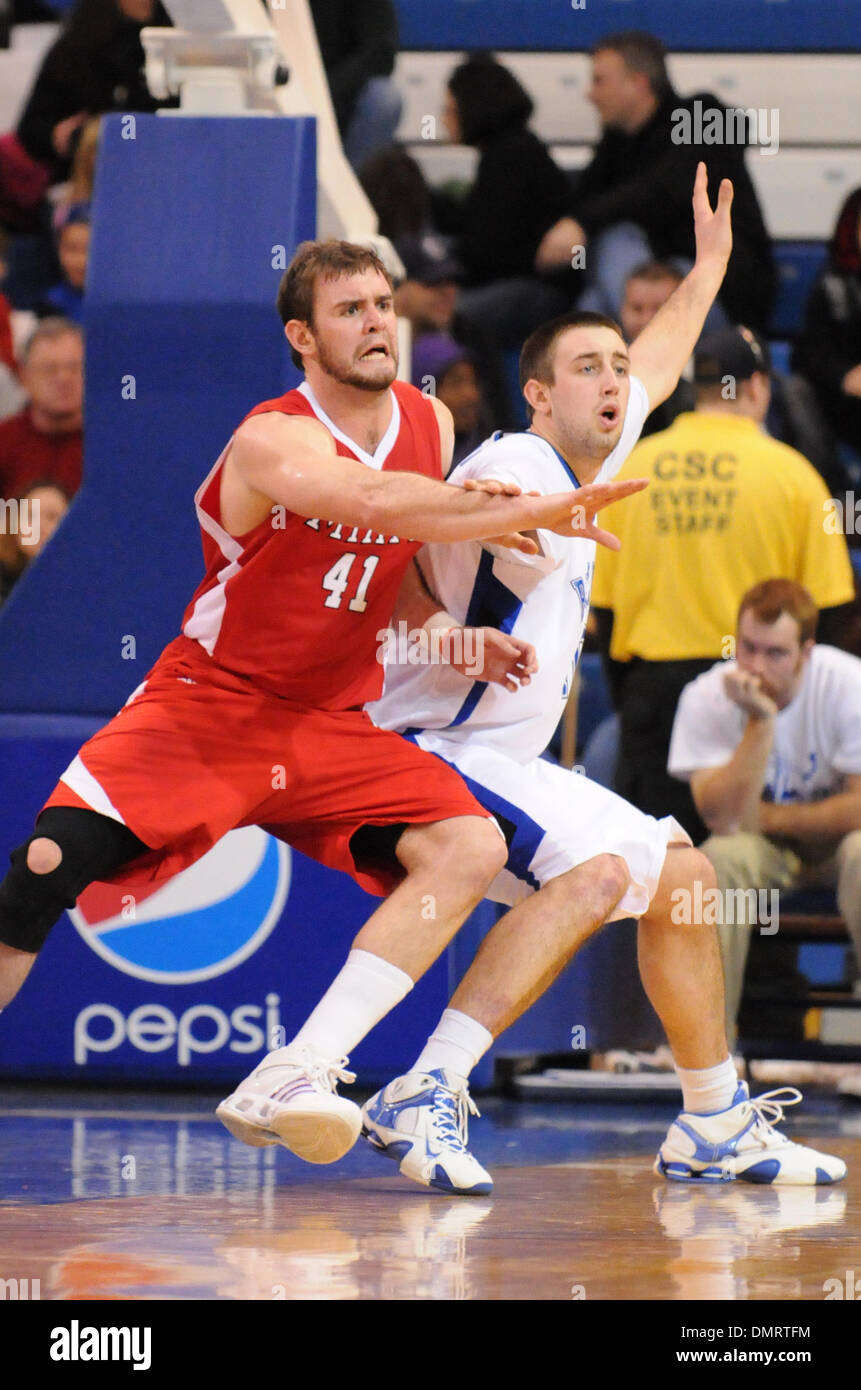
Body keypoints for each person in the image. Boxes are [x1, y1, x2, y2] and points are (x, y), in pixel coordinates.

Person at [0, 239, 643, 1170]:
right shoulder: (273, 437)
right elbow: (372, 500)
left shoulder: (427, 419)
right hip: (212, 704)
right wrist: (506, 513)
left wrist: (442, 628)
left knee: (470, 845)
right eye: (351, 310)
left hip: (332, 721)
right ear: (302, 336)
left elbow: (397, 571)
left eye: (384, 304)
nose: (378, 321)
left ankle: (298, 1069)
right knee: (45, 868)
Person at [365, 167, 846, 1193]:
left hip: (500, 755)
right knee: (593, 876)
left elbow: (666, 359)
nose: (616, 379)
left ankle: (713, 1120)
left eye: (617, 366)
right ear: (540, 392)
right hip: (433, 748)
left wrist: (712, 266)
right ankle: (427, 1085)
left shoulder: (589, 454)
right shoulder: (520, 462)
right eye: (589, 366)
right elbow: (437, 528)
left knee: (685, 881)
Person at [591, 325, 856, 843]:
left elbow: (606, 611)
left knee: (659, 868)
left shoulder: (633, 469)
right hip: (755, 688)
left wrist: (633, 708)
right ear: (756, 387)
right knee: (743, 866)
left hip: (655, 690)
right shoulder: (794, 475)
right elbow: (830, 609)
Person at [667, 580, 861, 1049]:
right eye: (747, 648)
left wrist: (768, 818)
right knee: (715, 861)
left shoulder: (848, 684)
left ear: (805, 652)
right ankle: (709, 1056)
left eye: (775, 653)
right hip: (763, 853)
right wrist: (762, 720)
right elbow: (722, 819)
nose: (755, 666)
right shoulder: (708, 697)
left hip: (838, 846)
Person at [534, 31, 774, 330]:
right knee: (590, 308)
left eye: (599, 81)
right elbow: (585, 201)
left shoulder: (702, 117)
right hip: (640, 284)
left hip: (718, 287)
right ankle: (622, 353)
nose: (590, 94)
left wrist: (580, 222)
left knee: (613, 241)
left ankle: (636, 349)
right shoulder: (616, 145)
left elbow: (666, 186)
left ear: (638, 82)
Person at [432, 53, 575, 347]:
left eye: (450, 110)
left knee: (446, 315)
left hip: (541, 291)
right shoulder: (506, 151)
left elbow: (491, 250)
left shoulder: (511, 156)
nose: (445, 119)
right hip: (521, 281)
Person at [16, 0, 174, 184]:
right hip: (82, 179)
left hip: (158, 167)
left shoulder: (178, 30)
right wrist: (59, 135)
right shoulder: (81, 38)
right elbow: (30, 127)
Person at [792, 187, 861, 482]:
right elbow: (806, 354)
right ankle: (829, 490)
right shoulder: (832, 282)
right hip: (843, 404)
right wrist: (844, 376)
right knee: (795, 392)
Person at [310, 0, 402, 172]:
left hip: (343, 94)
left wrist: (327, 90)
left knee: (384, 99)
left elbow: (381, 50)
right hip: (284, 91)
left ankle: (355, 190)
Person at [0, 318, 84, 500]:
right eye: (49, 369)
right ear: (24, 377)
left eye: (74, 367)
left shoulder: (115, 442)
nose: (63, 379)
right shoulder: (4, 441)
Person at [618, 260, 692, 436]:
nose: (647, 321)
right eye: (637, 309)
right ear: (622, 311)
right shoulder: (607, 381)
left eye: (660, 309)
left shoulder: (714, 373)